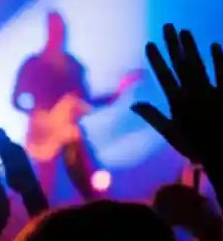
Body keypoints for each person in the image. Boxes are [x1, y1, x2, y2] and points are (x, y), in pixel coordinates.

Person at [12, 12, 139, 202]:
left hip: (70, 130)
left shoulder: (73, 66)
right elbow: (16, 99)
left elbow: (87, 100)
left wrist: (120, 89)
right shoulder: (33, 65)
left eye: (61, 30)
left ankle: (100, 208)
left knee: (89, 175)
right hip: (44, 134)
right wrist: (39, 115)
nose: (59, 35)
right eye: (55, 30)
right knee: (45, 184)